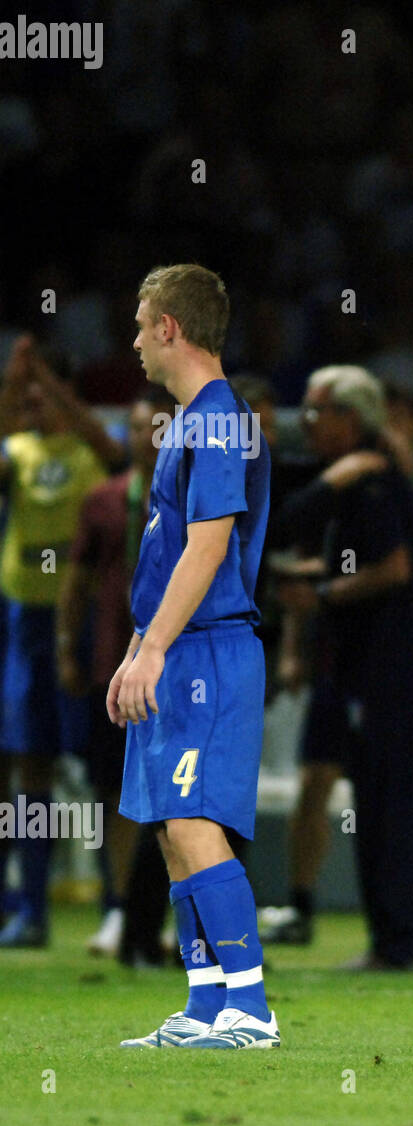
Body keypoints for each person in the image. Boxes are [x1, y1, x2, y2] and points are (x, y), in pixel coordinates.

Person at [113, 263, 275, 1048]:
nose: (136, 341)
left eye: (143, 325)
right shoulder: (193, 421)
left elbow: (208, 550)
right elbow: (171, 549)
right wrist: (141, 648)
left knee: (195, 821)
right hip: (180, 648)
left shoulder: (215, 421)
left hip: (208, 651)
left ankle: (252, 1009)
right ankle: (206, 1005)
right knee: (174, 829)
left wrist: (156, 649)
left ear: (170, 328)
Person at [273, 364, 413, 970]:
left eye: (319, 410)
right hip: (389, 671)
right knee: (383, 802)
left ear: (352, 418)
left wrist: (321, 595)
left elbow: (394, 568)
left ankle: (403, 940)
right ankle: (403, 937)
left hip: (390, 674)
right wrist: (312, 579)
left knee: (387, 804)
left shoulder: (368, 481)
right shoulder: (380, 473)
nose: (308, 422)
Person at [0, 337, 119, 948]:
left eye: (48, 395)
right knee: (31, 766)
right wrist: (13, 385)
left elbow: (105, 443)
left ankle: (114, 900)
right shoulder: (17, 449)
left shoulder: (92, 451)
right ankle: (30, 908)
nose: (37, 405)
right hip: (25, 622)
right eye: (32, 397)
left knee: (99, 769)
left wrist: (45, 372)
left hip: (87, 620)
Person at [58, 398, 160, 957]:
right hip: (111, 662)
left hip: (172, 662)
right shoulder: (103, 500)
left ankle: (162, 913)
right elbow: (75, 582)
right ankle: (119, 908)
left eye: (157, 425)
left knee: (171, 792)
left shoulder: (192, 497)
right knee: (115, 790)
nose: (147, 435)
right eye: (138, 425)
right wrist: (67, 649)